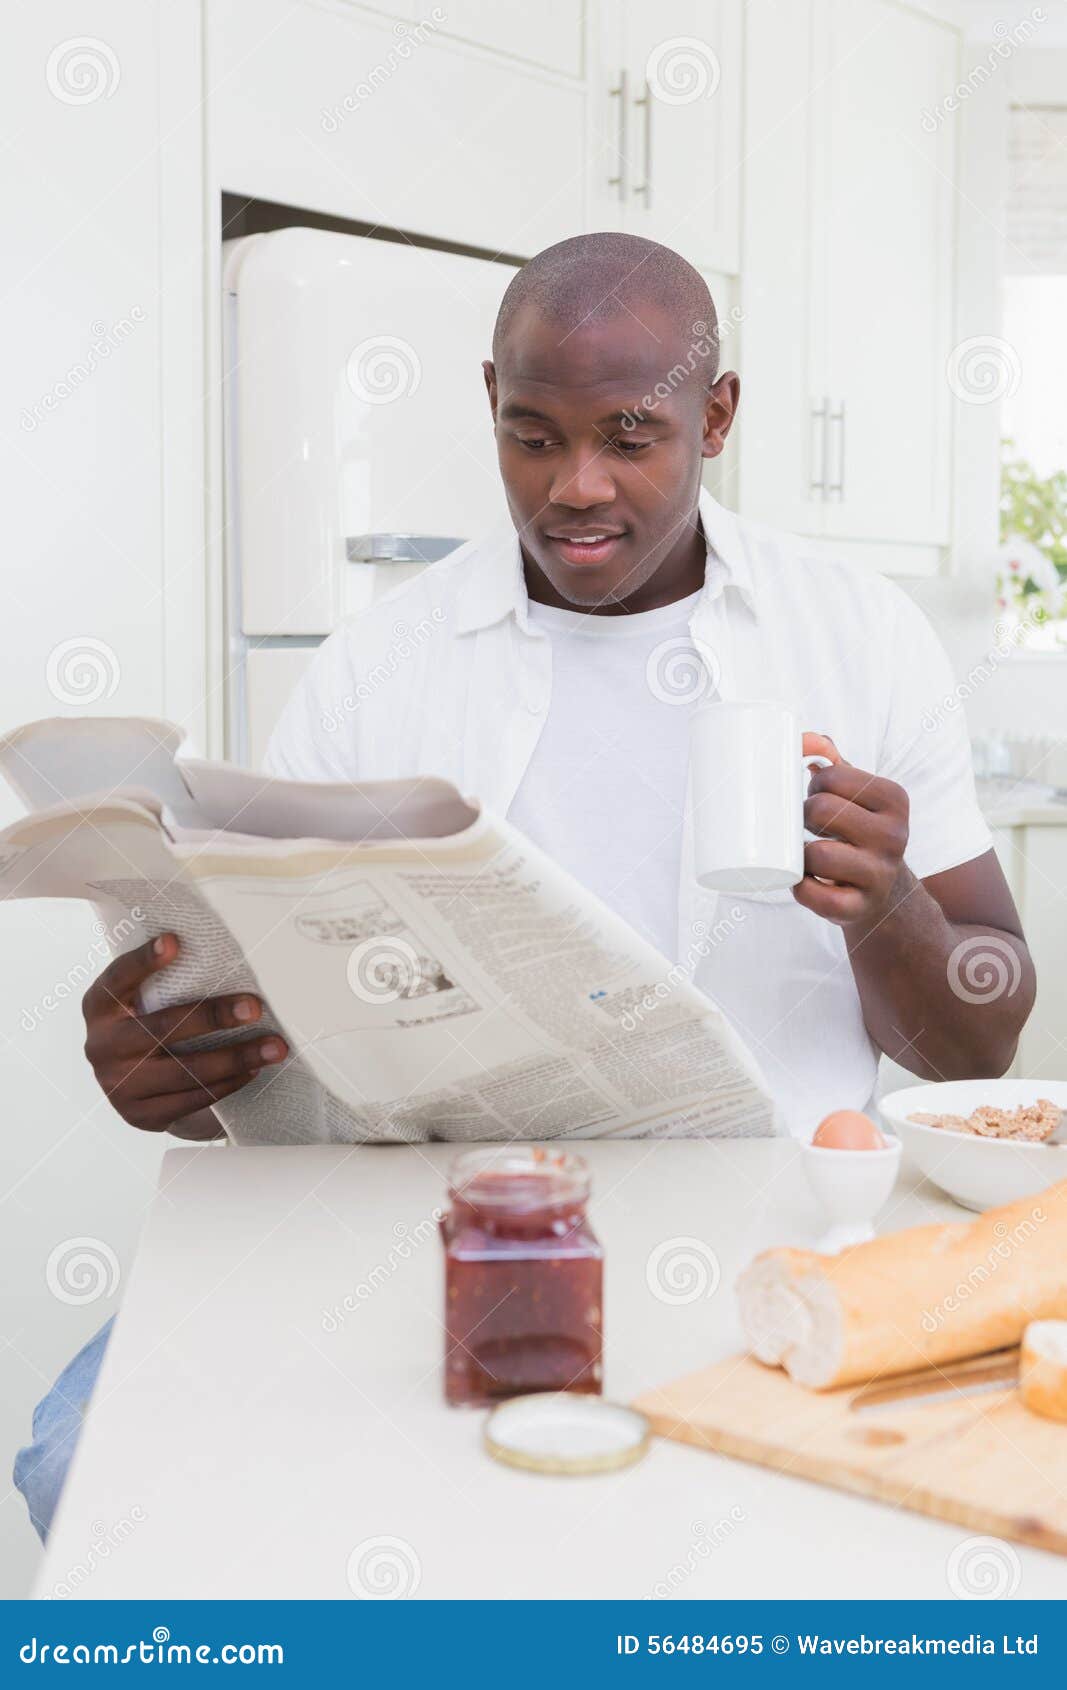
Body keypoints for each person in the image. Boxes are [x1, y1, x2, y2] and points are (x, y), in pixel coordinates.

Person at [16, 232, 1034, 1539]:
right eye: (532, 435)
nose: (577, 486)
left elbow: (983, 1033)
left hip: (753, 1243)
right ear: (488, 401)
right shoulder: (381, 665)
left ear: (716, 415)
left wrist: (889, 905)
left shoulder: (858, 636)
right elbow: (285, 1063)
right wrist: (171, 1066)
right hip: (428, 1230)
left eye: (629, 432)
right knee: (75, 1465)